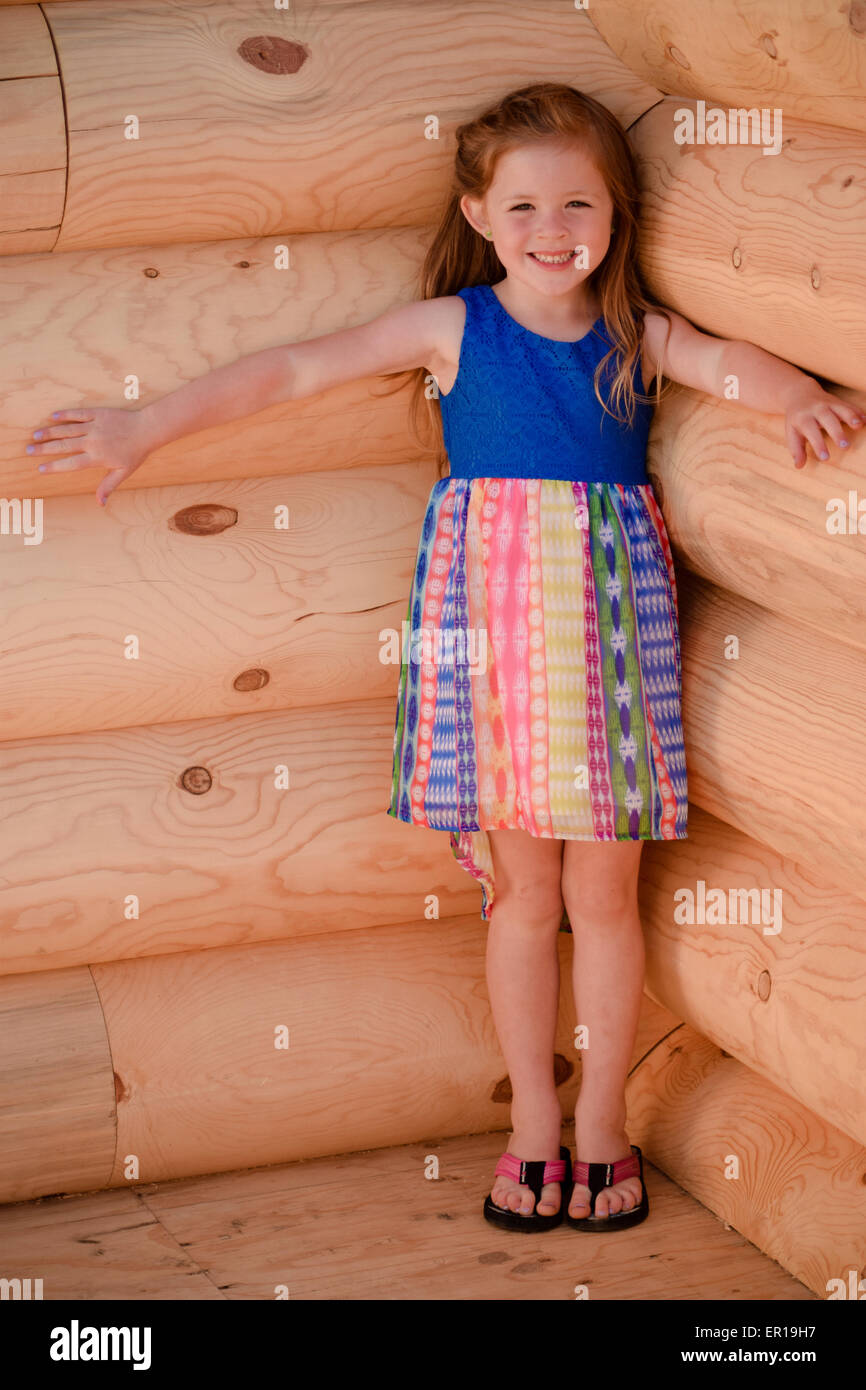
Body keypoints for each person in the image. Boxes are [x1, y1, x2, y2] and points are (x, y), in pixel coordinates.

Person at [26, 82, 862, 1235]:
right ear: (477, 213)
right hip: (495, 649)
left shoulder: (634, 334)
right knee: (522, 893)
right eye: (522, 206)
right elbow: (291, 371)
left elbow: (730, 365)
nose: (552, 227)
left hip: (609, 647)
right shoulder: (456, 329)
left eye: (578, 202)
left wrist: (801, 393)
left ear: (615, 213)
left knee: (602, 896)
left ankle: (605, 1120)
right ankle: (531, 1121)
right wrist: (142, 424)